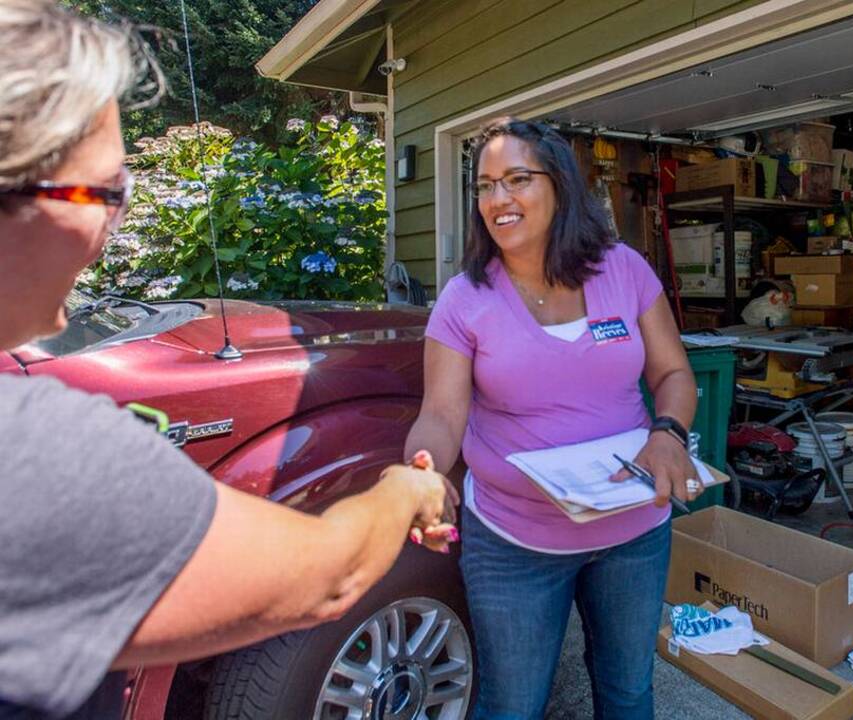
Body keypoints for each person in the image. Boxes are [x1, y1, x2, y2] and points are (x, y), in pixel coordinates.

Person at [0, 2, 455, 717]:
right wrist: (405, 490)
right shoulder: (35, 452)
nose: (118, 225)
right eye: (110, 193)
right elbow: (323, 578)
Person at [403, 117, 698, 719]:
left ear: (559, 185)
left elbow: (673, 374)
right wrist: (423, 470)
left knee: (628, 693)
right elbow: (441, 414)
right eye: (485, 186)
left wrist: (669, 433)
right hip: (515, 540)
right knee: (512, 706)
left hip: (633, 528)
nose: (497, 199)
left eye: (517, 179)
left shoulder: (624, 270)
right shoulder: (465, 299)